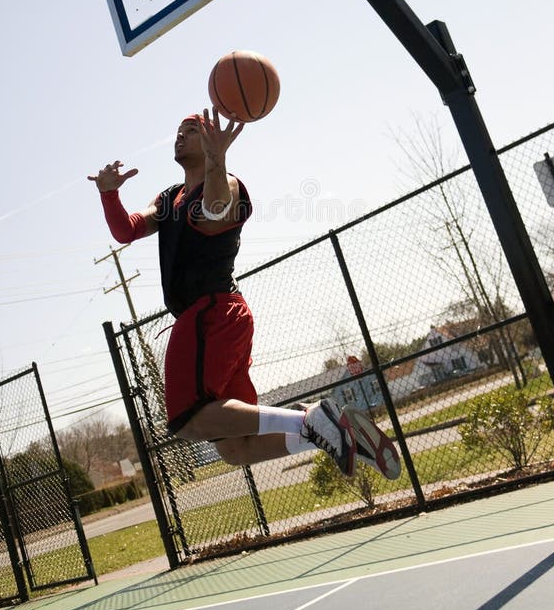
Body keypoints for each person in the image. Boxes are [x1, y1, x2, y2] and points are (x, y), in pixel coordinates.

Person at [88, 108, 401, 480]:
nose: (180, 135)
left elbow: (214, 208)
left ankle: (315, 419)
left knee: (186, 419)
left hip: (212, 313)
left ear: (209, 142)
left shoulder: (227, 185)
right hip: (216, 318)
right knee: (237, 448)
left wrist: (217, 160)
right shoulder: (169, 197)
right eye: (179, 130)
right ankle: (324, 431)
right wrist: (109, 194)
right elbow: (126, 230)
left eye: (191, 130)